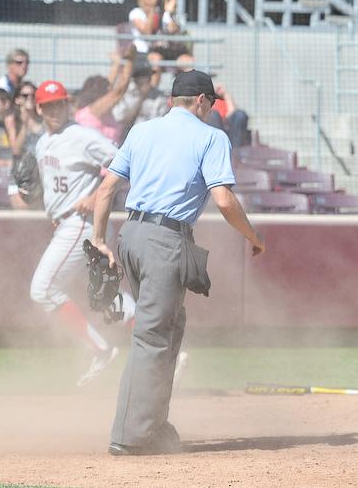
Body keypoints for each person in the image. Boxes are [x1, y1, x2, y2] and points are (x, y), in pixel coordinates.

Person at [91, 70, 265, 456]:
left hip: (131, 236)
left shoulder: (141, 131)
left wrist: (99, 240)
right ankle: (130, 435)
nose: (212, 109)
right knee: (153, 336)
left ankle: (153, 424)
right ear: (201, 100)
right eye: (211, 102)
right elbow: (224, 201)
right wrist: (253, 237)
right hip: (165, 241)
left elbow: (106, 188)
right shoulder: (211, 136)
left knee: (169, 329)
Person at [26, 79, 138, 386]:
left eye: (59, 103)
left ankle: (100, 350)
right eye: (48, 105)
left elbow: (124, 163)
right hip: (67, 223)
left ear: (68, 104)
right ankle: (167, 351)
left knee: (43, 289)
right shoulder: (42, 142)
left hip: (81, 223)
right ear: (39, 109)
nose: (54, 110)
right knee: (108, 294)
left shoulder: (82, 136)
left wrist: (96, 195)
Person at [74, 48, 135, 144]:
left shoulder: (87, 109)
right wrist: (129, 60)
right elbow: (120, 90)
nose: (109, 90)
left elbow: (109, 84)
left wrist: (117, 63)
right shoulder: (96, 110)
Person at [129, 0, 191, 64]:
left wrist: (169, 13)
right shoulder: (136, 13)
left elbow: (173, 29)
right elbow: (147, 33)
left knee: (187, 61)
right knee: (156, 60)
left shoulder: (162, 13)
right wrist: (152, 7)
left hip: (164, 50)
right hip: (142, 53)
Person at [111, 55, 168, 126]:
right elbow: (119, 117)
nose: (140, 78)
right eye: (137, 75)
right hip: (128, 131)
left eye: (145, 74)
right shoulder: (128, 93)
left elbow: (159, 122)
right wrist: (141, 98)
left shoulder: (159, 97)